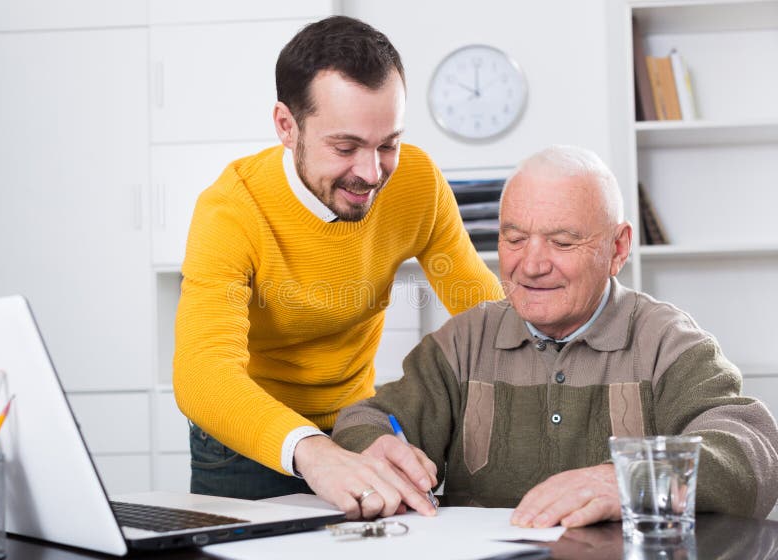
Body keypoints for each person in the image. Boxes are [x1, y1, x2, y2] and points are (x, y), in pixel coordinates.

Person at [333, 144, 778, 526]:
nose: (531, 265)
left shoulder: (667, 343)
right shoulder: (462, 342)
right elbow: (363, 421)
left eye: (562, 243)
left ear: (617, 249)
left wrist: (628, 479)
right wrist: (376, 447)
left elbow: (754, 452)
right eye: (514, 239)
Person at [173, 15, 503, 519]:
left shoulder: (416, 183)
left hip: (356, 427)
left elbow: (483, 310)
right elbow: (202, 375)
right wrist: (313, 452)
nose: (372, 174)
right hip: (245, 441)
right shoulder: (231, 210)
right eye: (345, 147)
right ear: (287, 126)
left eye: (388, 144)